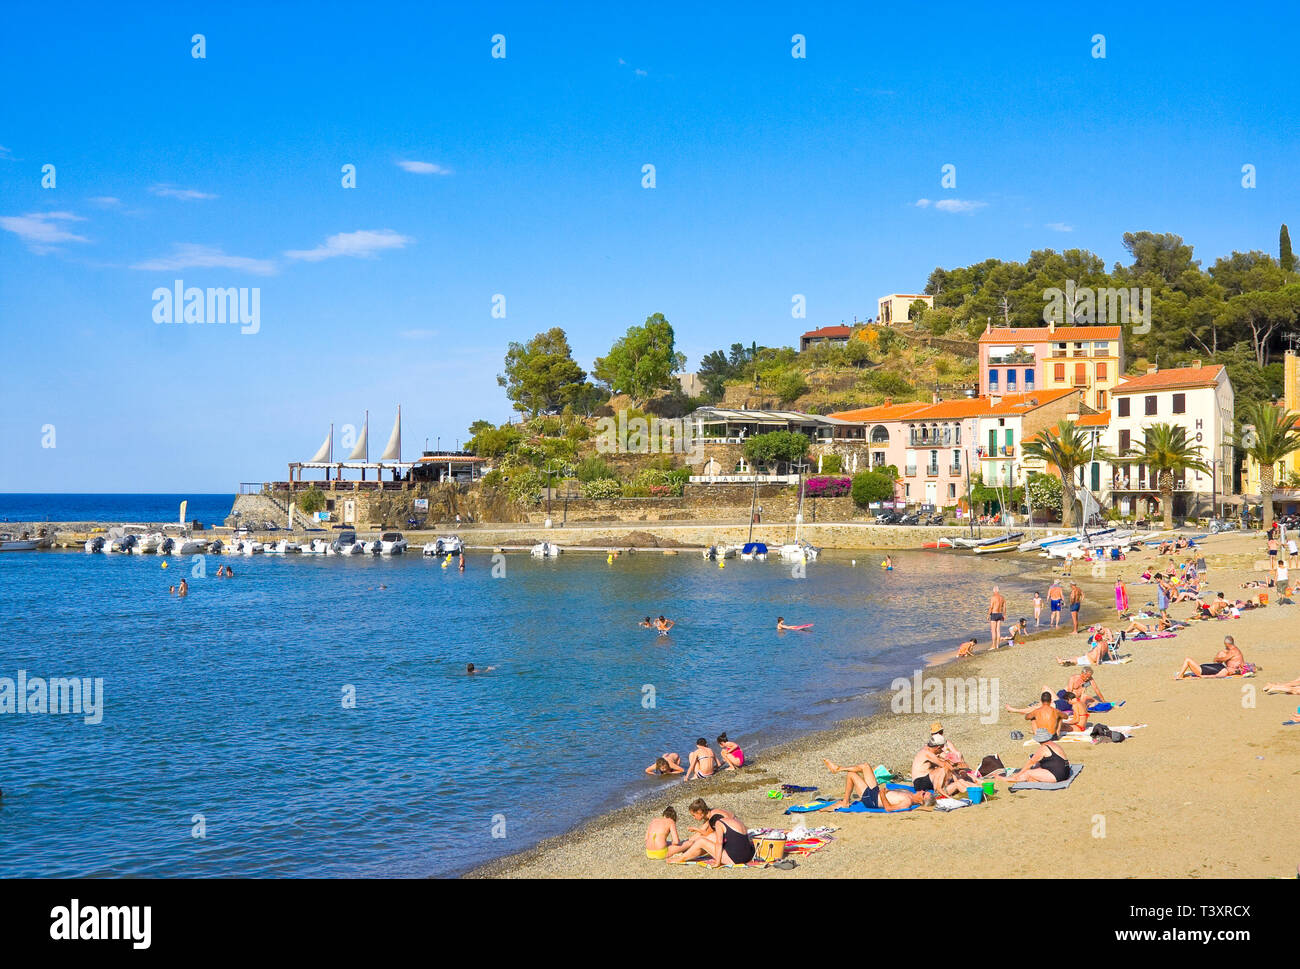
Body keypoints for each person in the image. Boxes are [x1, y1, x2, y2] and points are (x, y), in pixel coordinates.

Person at [820, 759, 933, 811]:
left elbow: (888, 808)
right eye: (924, 791)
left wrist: (883, 794)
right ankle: (838, 769)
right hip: (876, 791)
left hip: (872, 799)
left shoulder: (907, 802)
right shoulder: (910, 793)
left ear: (921, 801)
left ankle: (845, 802)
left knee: (851, 775)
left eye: (923, 794)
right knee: (865, 766)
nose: (921, 791)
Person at [670, 803, 753, 867]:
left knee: (701, 841)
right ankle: (687, 855)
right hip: (748, 856)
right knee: (710, 838)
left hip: (736, 860)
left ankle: (680, 859)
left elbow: (719, 843)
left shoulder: (719, 823)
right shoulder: (736, 821)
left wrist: (717, 862)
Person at [1003, 738, 1072, 785]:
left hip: (1058, 776)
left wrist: (1018, 774)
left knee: (1027, 773)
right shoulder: (1054, 744)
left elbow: (1030, 763)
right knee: (1037, 768)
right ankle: (1033, 779)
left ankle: (1009, 779)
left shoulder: (1043, 748)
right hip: (1066, 772)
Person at [1174, 635, 1245, 679]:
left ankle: (1180, 675)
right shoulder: (1233, 650)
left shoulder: (1233, 651)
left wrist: (1204, 676)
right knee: (1221, 653)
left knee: (1188, 660)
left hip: (1207, 671)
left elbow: (1217, 674)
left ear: (1226, 644)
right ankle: (1180, 675)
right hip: (1216, 668)